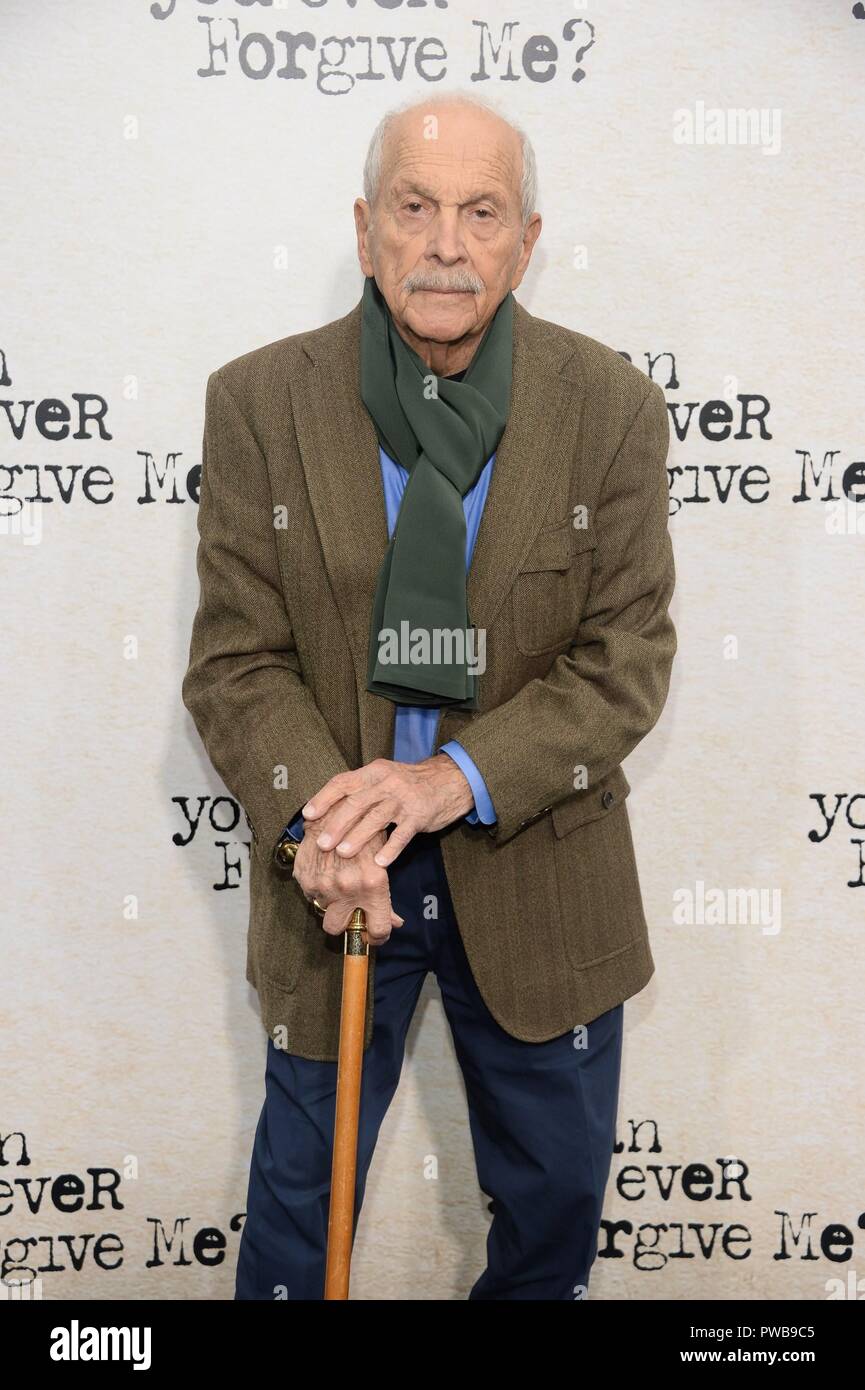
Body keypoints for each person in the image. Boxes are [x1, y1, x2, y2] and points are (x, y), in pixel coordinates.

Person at [181, 90, 677, 1300]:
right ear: (366, 231)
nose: (446, 241)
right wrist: (324, 823)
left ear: (525, 237)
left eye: (480, 211)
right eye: (415, 206)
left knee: (555, 1211)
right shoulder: (258, 401)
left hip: (535, 858)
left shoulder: (610, 407)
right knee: (299, 1225)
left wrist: (445, 781)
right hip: (339, 873)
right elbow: (236, 660)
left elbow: (624, 659)